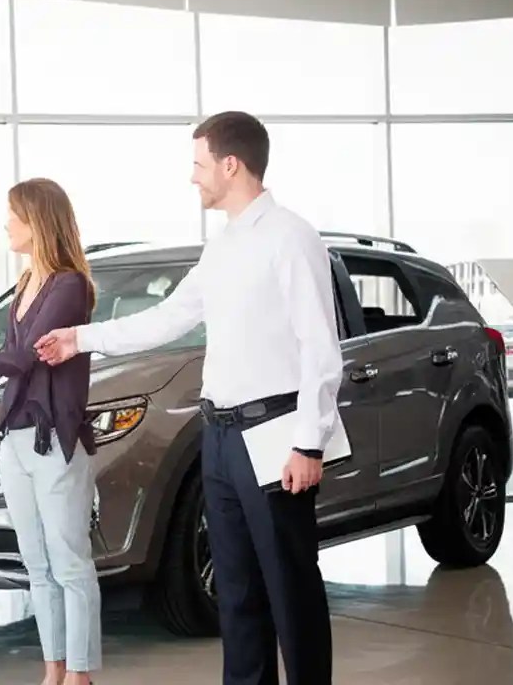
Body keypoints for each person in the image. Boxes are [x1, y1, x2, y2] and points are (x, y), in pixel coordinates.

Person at [35, 111, 343, 685]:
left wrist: (309, 443)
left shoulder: (291, 238)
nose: (193, 177)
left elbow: (321, 349)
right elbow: (167, 318)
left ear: (231, 164)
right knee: (236, 591)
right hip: (220, 437)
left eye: (199, 164)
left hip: (274, 436)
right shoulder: (222, 247)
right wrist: (81, 338)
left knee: (290, 590)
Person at [0, 178, 101, 685]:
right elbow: (17, 355)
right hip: (15, 438)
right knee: (37, 564)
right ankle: (53, 670)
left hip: (54, 440)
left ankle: (79, 674)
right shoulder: (26, 281)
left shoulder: (68, 284)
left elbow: (26, 354)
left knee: (70, 562)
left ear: (38, 221)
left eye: (13, 214)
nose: (5, 223)